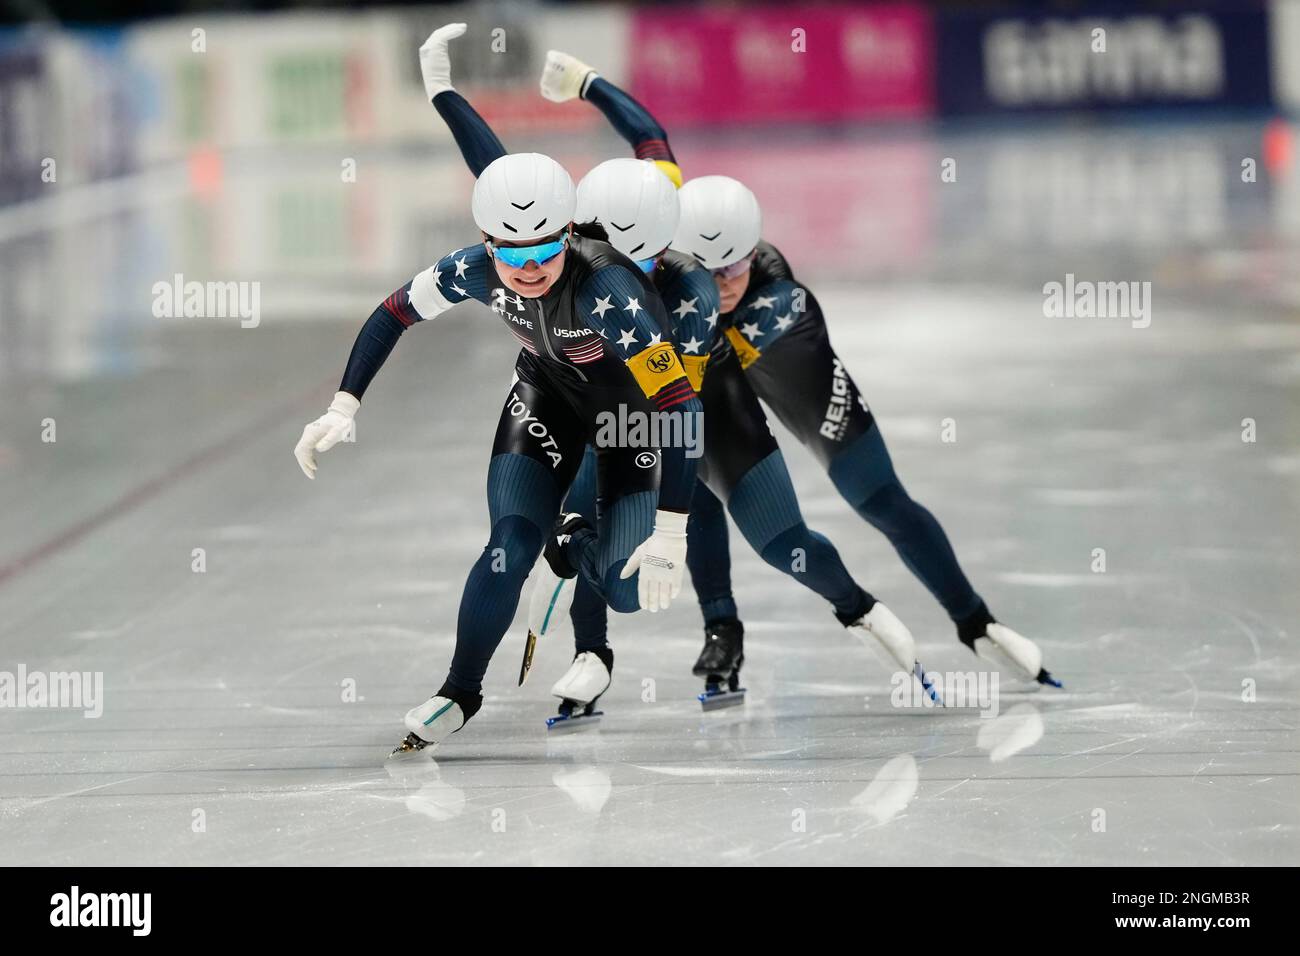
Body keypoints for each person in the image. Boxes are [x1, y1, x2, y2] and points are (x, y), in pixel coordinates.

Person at [419, 25, 942, 720]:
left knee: (758, 533)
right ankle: (595, 650)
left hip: (689, 399)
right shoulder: (600, 220)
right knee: (586, 517)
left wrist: (647, 525)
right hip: (614, 397)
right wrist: (495, 92)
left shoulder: (685, 285)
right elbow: (507, 179)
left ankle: (830, 609)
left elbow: (675, 427)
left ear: (665, 246)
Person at [541, 50, 1059, 687]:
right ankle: (686, 636)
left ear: (750, 254)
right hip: (696, 380)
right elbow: (650, 138)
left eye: (732, 269)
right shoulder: (661, 216)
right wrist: (587, 84)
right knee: (630, 473)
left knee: (878, 499)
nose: (720, 283)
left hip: (777, 367)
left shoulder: (778, 307)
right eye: (706, 270)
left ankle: (974, 620)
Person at [293, 145, 706, 755]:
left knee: (626, 589)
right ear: (487, 241)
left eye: (544, 251)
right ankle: (460, 693)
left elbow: (683, 409)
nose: (530, 268)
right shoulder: (471, 268)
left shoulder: (611, 291)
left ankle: (568, 546)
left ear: (569, 234)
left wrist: (672, 532)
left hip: (630, 421)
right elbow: (391, 314)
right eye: (512, 253)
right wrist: (343, 404)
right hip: (545, 400)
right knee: (507, 549)